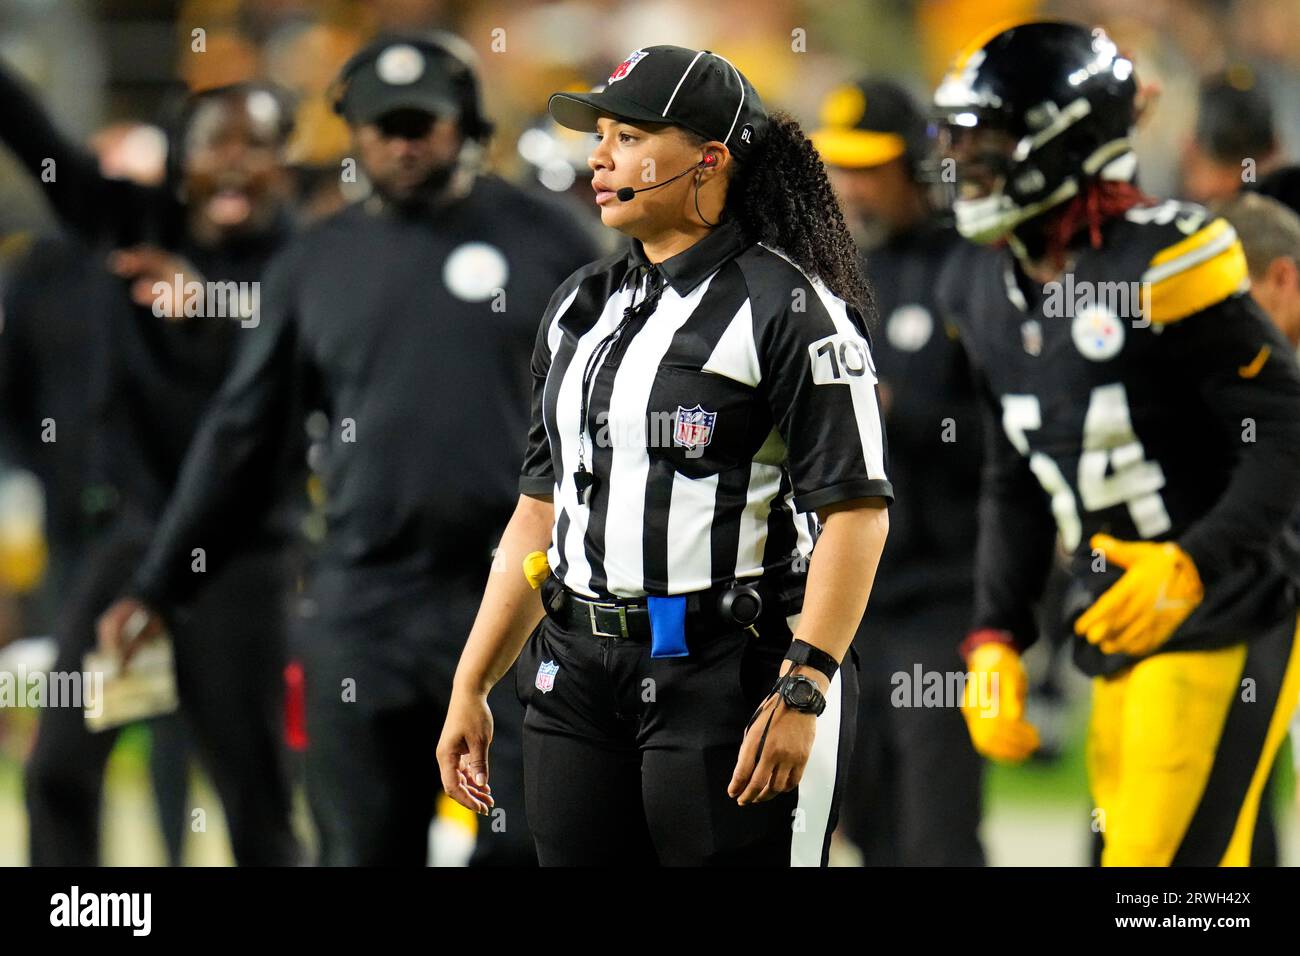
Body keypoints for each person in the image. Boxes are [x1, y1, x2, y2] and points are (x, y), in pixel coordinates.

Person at [97, 33, 601, 866]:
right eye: (382, 126)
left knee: (529, 847)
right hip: (365, 604)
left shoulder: (554, 241)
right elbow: (243, 433)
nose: (402, 143)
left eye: (422, 123)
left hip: (522, 600)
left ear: (466, 124)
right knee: (362, 848)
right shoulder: (316, 261)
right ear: (353, 136)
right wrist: (159, 581)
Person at [436, 44, 892, 867]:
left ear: (708, 159)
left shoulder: (788, 304)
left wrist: (805, 683)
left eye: (631, 135)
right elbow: (539, 511)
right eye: (599, 134)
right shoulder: (581, 305)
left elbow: (855, 514)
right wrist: (472, 680)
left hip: (733, 668)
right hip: (576, 672)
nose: (600, 156)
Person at [934, 20, 1300, 866]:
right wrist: (995, 633)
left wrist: (1192, 560)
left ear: (1067, 144)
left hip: (1222, 610)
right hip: (1114, 622)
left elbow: (1282, 429)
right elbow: (1014, 476)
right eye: (959, 137)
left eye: (990, 139)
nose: (966, 162)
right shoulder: (982, 282)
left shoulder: (1167, 260)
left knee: (1165, 883)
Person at [0, 63, 305, 865]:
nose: (236, 160)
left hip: (238, 558)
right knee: (59, 770)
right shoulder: (133, 223)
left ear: (285, 162)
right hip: (129, 549)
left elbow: (291, 342)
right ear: (178, 159)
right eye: (216, 143)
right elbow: (39, 142)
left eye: (259, 144)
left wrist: (208, 305)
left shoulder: (308, 258)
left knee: (254, 796)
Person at [810, 77, 984, 865]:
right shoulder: (822, 278)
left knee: (936, 834)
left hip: (940, 598)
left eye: (869, 167)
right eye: (840, 168)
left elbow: (1015, 436)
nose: (850, 186)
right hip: (845, 604)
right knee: (866, 827)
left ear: (920, 166)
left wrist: (900, 414)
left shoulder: (972, 270)